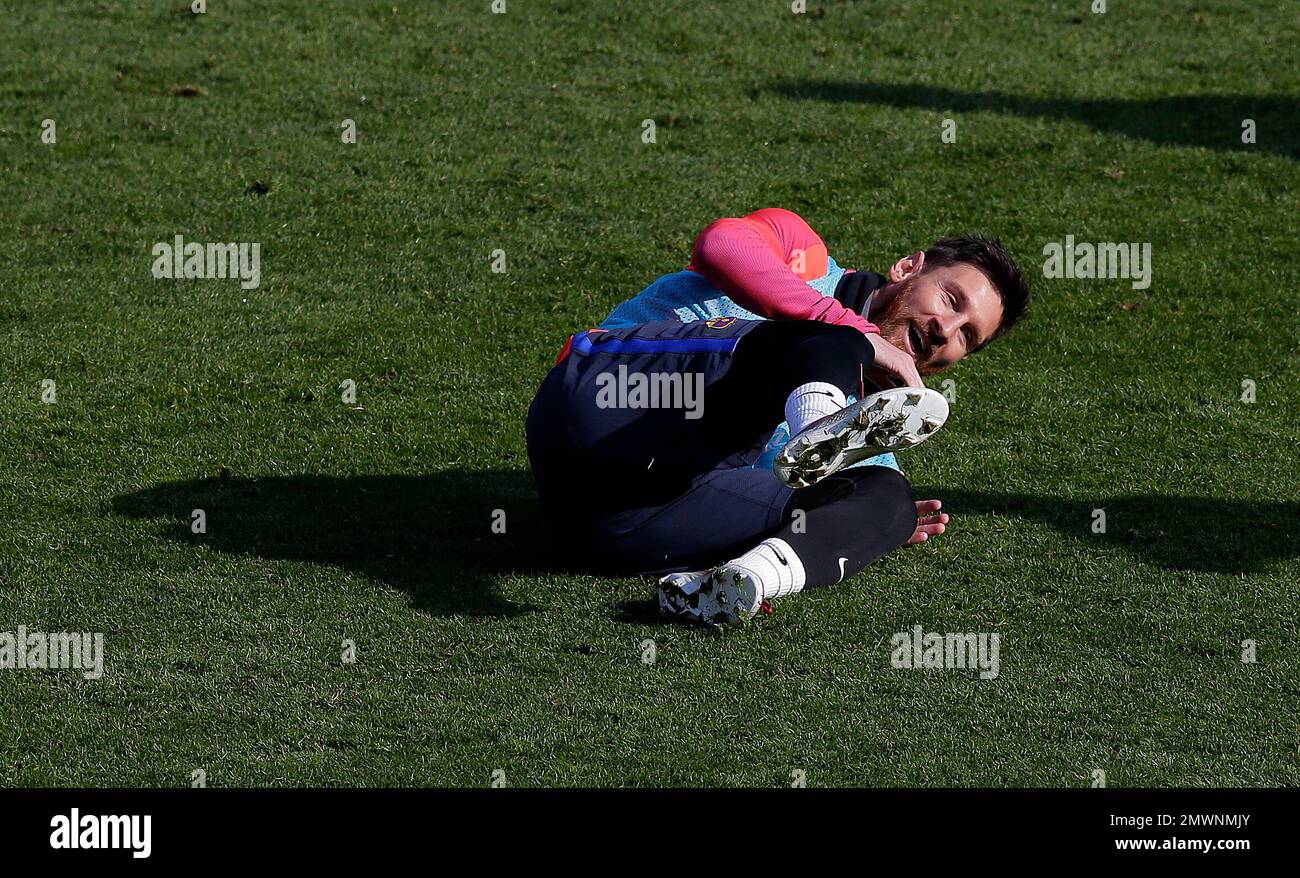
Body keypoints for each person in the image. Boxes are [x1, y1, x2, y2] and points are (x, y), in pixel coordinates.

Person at [526, 209, 1029, 625]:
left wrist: (866, 524)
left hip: (608, 525)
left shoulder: (869, 430)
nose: (947, 329)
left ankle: (732, 584)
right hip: (601, 397)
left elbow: (870, 511)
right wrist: (854, 334)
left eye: (967, 335)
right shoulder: (805, 258)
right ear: (905, 268)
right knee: (830, 343)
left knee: (886, 497)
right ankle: (813, 420)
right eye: (950, 299)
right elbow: (720, 244)